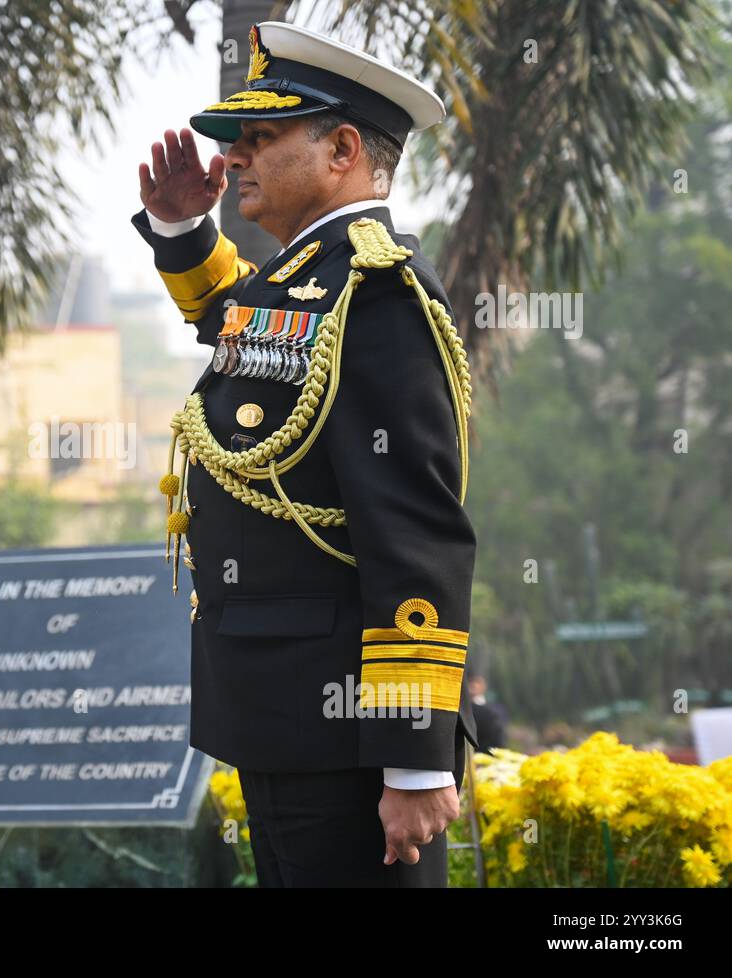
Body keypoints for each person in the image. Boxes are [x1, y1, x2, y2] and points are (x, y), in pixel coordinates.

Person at [137, 21, 479, 886]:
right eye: (238, 141)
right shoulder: (305, 279)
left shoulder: (379, 291)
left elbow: (415, 533)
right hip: (283, 713)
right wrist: (180, 229)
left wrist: (413, 760)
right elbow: (249, 333)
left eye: (261, 138)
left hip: (348, 734)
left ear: (344, 149)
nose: (238, 160)